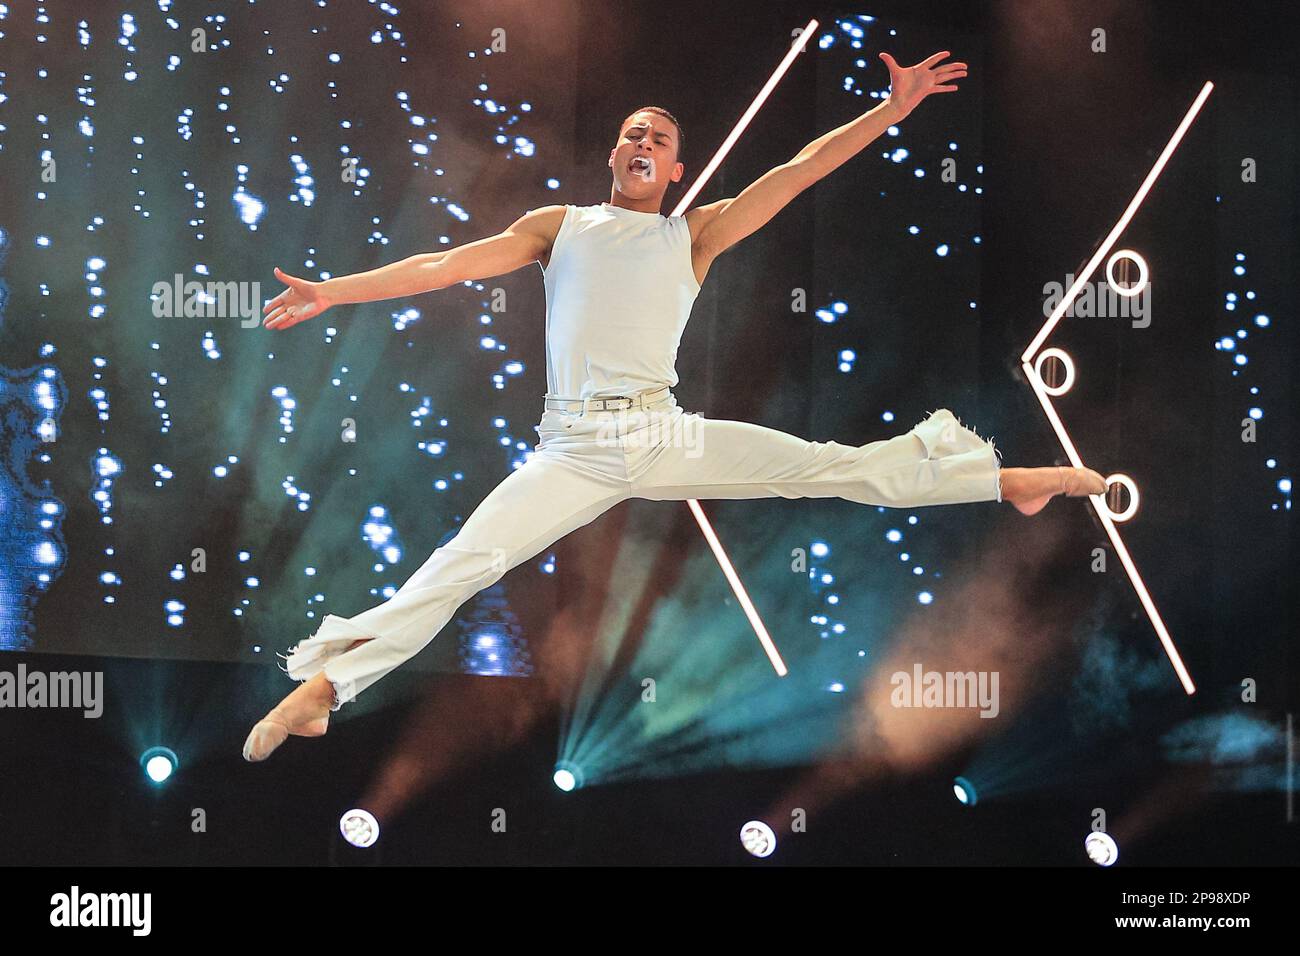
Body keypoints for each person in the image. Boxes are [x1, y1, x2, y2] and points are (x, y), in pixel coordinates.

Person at [244, 51, 1105, 762]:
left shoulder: (692, 234)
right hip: (572, 448)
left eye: (659, 136)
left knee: (827, 469)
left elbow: (799, 171)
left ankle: (1001, 481)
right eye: (632, 134)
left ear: (677, 169)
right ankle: (324, 691)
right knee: (462, 564)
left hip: (662, 433)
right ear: (615, 158)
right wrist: (334, 291)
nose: (644, 139)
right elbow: (447, 265)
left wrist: (890, 110)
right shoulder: (560, 227)